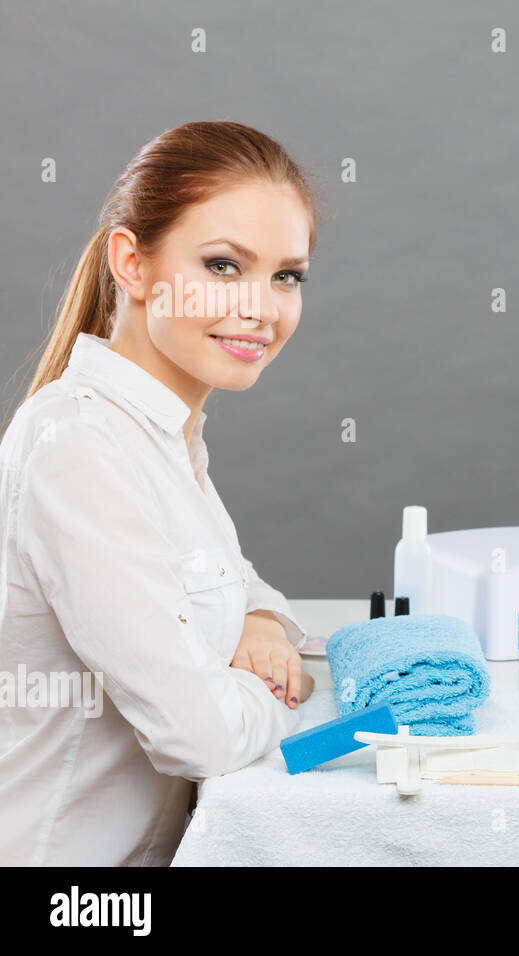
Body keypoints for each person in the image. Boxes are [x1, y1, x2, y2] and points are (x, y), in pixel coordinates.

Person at [0, 121, 319, 865]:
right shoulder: (79, 450)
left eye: (286, 275)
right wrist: (280, 696)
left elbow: (229, 582)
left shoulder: (167, 438)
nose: (262, 308)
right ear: (132, 265)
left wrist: (264, 624)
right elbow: (196, 735)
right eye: (222, 265)